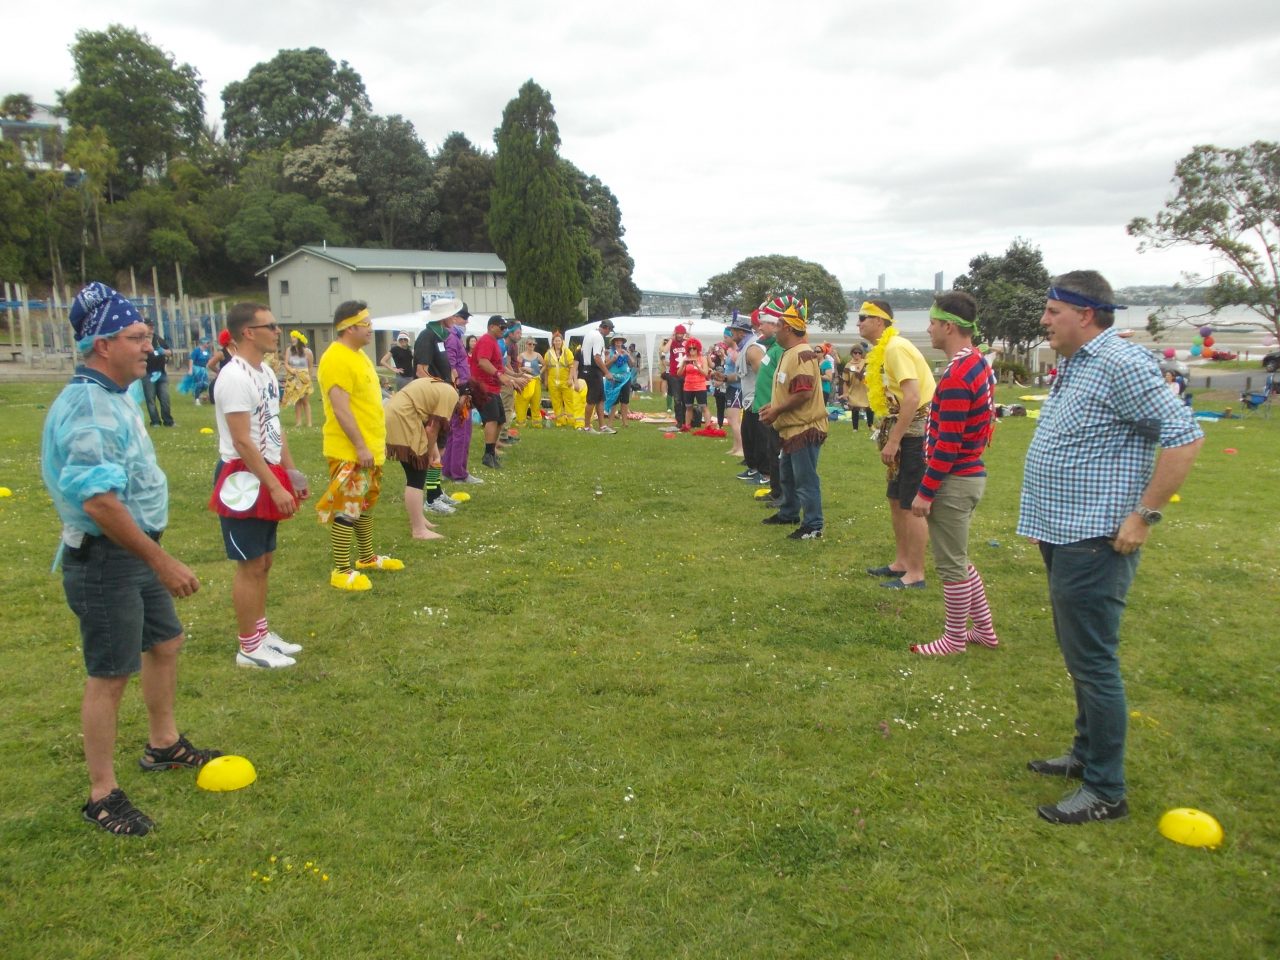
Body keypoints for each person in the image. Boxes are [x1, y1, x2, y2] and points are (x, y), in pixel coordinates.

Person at [1019, 271, 1203, 825]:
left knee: (1094, 662)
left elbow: (1185, 435)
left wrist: (1144, 515)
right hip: (1063, 531)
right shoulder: (1078, 363)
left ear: (1085, 314)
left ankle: (1106, 790)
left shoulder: (1122, 364)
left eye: (1053, 312)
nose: (1045, 321)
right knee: (1079, 655)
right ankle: (1085, 754)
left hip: (1096, 537)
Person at [43, 282, 221, 836]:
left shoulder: (117, 393)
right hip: (107, 559)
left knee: (164, 642)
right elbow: (99, 502)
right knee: (109, 673)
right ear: (102, 345)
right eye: (138, 336)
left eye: (148, 335)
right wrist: (161, 562)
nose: (150, 346)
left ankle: (163, 745)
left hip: (134, 552)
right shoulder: (91, 407)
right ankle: (102, 794)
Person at [212, 302, 307, 669]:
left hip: (265, 470)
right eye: (270, 326)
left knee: (264, 560)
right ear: (248, 332)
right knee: (250, 564)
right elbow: (242, 442)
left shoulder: (266, 371)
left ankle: (261, 632)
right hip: (243, 477)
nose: (277, 331)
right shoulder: (233, 377)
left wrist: (292, 474)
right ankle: (248, 646)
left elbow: (273, 427)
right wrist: (274, 487)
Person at [908, 292, 999, 656]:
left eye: (931, 322)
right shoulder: (977, 362)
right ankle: (985, 631)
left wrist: (926, 491)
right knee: (958, 557)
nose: (928, 329)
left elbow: (948, 443)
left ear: (948, 326)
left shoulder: (959, 374)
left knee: (950, 566)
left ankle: (954, 639)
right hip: (968, 474)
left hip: (956, 479)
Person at [315, 300, 405, 592]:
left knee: (365, 506)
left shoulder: (360, 357)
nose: (371, 328)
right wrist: (361, 447)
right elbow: (341, 409)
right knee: (347, 508)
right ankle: (341, 570)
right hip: (350, 450)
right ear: (349, 327)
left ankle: (366, 558)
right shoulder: (336, 358)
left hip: (371, 448)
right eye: (366, 323)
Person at [858, 299, 937, 589]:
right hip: (901, 429)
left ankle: (916, 573)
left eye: (864, 317)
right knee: (895, 500)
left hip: (914, 434)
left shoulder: (895, 348)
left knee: (911, 503)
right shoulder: (884, 350)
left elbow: (913, 397)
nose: (859, 323)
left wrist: (893, 440)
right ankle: (902, 562)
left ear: (880, 321)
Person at [759, 299, 827, 539]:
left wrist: (777, 410)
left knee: (805, 479)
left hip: (804, 428)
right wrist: (775, 406)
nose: (774, 329)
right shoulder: (790, 353)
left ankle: (814, 525)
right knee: (787, 475)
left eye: (777, 325)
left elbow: (804, 393)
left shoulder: (802, 354)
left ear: (788, 328)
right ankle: (789, 513)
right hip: (791, 428)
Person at [385, 377, 461, 540]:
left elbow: (427, 419)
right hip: (403, 418)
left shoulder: (440, 386)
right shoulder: (451, 394)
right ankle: (418, 530)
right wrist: (427, 453)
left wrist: (431, 450)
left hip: (398, 413)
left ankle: (418, 519)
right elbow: (432, 429)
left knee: (414, 475)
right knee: (416, 477)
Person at [750, 306, 786, 501]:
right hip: (765, 408)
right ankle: (776, 491)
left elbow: (783, 379)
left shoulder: (780, 349)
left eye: (763, 323)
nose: (759, 326)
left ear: (775, 326)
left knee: (777, 452)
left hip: (774, 409)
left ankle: (781, 493)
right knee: (771, 452)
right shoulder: (772, 347)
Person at [442, 320, 483, 485]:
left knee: (454, 432)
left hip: (459, 388)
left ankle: (448, 470)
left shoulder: (452, 337)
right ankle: (459, 473)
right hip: (459, 390)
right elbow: (450, 365)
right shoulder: (452, 338)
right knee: (462, 433)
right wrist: (462, 391)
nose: (466, 322)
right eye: (463, 317)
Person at [470, 315, 512, 468]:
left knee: (500, 419)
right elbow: (483, 362)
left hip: (493, 387)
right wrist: (499, 375)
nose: (504, 330)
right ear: (492, 326)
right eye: (502, 327)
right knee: (492, 419)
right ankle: (488, 455)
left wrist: (514, 377)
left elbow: (498, 365)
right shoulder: (487, 340)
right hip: (483, 386)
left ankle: (491, 452)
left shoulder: (493, 341)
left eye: (505, 327)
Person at [414, 299, 468, 383]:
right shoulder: (427, 336)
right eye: (452, 315)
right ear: (443, 317)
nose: (455, 319)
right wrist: (442, 388)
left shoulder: (440, 337)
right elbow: (421, 372)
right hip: (432, 393)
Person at [580, 318, 616, 434]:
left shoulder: (590, 333)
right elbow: (596, 357)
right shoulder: (598, 337)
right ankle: (587, 427)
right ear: (606, 328)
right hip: (593, 370)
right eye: (609, 330)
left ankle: (602, 427)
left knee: (601, 399)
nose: (608, 333)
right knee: (592, 399)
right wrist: (607, 372)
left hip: (589, 369)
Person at [141, 319, 174, 427]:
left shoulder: (158, 339)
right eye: (149, 326)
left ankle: (168, 421)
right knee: (150, 399)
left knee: (165, 398)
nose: (151, 328)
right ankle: (155, 421)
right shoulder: (140, 340)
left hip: (161, 373)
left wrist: (163, 351)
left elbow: (170, 352)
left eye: (152, 326)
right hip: (148, 374)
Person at [282, 330, 315, 427]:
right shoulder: (289, 350)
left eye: (294, 337)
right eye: (291, 337)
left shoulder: (308, 352)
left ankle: (309, 423)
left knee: (305, 401)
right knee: (296, 400)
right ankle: (298, 422)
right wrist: (290, 370)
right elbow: (286, 363)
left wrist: (309, 379)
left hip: (304, 378)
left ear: (300, 339)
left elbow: (310, 366)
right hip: (293, 377)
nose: (292, 339)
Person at [544, 331, 576, 427]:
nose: (557, 342)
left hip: (566, 381)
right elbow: (546, 368)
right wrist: (546, 381)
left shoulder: (567, 352)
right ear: (553, 342)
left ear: (562, 341)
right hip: (552, 381)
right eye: (555, 341)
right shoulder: (548, 353)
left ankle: (571, 421)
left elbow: (572, 367)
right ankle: (560, 421)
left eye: (559, 340)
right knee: (556, 402)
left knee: (569, 401)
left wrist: (571, 379)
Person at [678, 338, 709, 432]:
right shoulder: (686, 358)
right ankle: (687, 426)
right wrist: (683, 364)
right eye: (690, 349)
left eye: (694, 348)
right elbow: (679, 374)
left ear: (698, 349)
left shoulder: (702, 358)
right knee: (688, 407)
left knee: (703, 406)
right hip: (688, 386)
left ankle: (708, 426)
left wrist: (697, 365)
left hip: (700, 386)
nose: (692, 350)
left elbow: (705, 373)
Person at [604, 333, 634, 425]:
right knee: (614, 400)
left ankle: (625, 422)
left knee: (625, 400)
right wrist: (613, 359)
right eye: (616, 341)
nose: (618, 342)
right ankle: (610, 422)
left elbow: (632, 364)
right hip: (614, 378)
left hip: (625, 378)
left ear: (622, 342)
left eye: (620, 341)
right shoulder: (609, 352)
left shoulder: (625, 352)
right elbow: (605, 366)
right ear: (613, 342)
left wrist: (628, 356)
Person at [843, 344, 873, 432]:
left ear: (862, 354)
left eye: (859, 353)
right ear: (852, 353)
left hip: (866, 389)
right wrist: (845, 393)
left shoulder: (866, 363)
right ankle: (855, 428)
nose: (857, 355)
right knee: (855, 408)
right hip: (854, 389)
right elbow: (845, 380)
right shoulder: (848, 366)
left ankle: (870, 425)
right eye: (855, 353)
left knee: (869, 407)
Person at [515, 337, 544, 426]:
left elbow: (545, 365)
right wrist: (523, 370)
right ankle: (521, 422)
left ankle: (536, 423)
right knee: (522, 401)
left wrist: (540, 373)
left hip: (535, 380)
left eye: (533, 344)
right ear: (526, 345)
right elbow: (517, 368)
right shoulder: (521, 356)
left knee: (536, 402)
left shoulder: (538, 355)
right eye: (530, 344)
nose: (531, 346)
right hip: (525, 381)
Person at [666, 324, 690, 425]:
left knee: (686, 398)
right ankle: (679, 421)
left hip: (685, 374)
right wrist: (671, 339)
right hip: (674, 375)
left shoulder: (686, 342)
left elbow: (696, 348)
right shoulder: (672, 342)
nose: (680, 335)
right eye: (678, 333)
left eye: (682, 333)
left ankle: (686, 420)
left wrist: (689, 338)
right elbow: (664, 350)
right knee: (677, 398)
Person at [179, 336, 212, 405]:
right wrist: (190, 369)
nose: (208, 344)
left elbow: (209, 360)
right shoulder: (197, 350)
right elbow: (191, 359)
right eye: (207, 343)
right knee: (199, 384)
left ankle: (196, 394)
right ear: (203, 343)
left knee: (205, 385)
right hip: (197, 369)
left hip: (203, 370)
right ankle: (197, 399)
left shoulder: (206, 352)